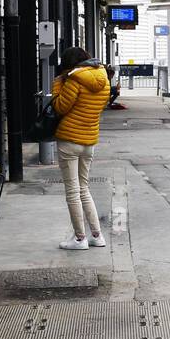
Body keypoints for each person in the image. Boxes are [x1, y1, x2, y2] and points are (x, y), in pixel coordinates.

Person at [51, 46, 111, 250]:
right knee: (84, 188)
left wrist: (58, 84)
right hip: (89, 140)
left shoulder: (74, 79)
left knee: (73, 191)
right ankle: (97, 235)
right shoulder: (103, 79)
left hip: (69, 140)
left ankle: (79, 238)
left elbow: (60, 107)